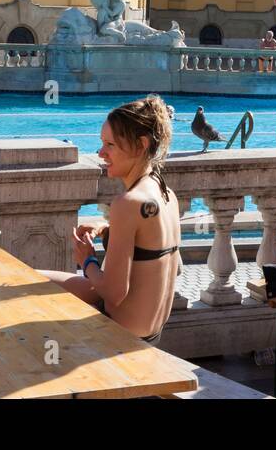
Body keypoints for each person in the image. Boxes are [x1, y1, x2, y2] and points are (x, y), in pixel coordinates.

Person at [38, 96, 181, 344]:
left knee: (30, 306)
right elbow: (166, 263)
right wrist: (107, 231)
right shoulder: (166, 194)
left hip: (120, 338)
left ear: (141, 145)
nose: (101, 153)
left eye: (110, 145)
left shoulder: (128, 203)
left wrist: (87, 260)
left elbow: (114, 293)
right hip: (151, 334)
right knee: (33, 280)